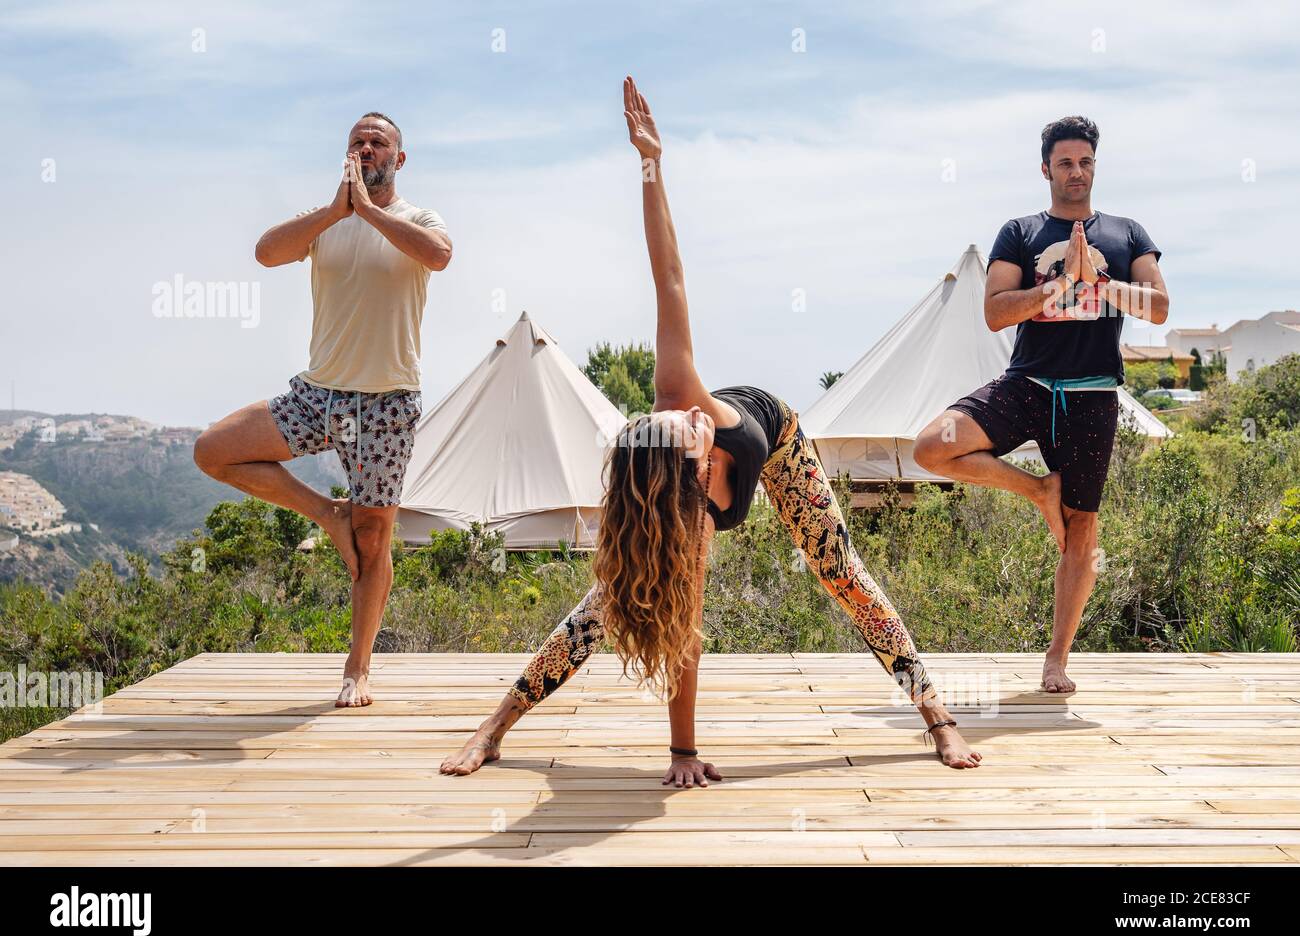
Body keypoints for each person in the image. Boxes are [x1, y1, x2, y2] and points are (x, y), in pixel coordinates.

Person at [440, 77, 981, 786]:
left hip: (779, 441)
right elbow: (682, 633)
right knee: (605, 606)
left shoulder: (680, 394)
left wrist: (650, 165)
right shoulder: (684, 519)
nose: (693, 413)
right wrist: (683, 753)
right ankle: (496, 724)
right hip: (678, 512)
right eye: (687, 430)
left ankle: (938, 714)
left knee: (842, 575)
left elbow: (669, 276)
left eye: (683, 415)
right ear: (683, 478)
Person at [193, 112, 453, 707]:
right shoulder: (326, 220)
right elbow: (265, 253)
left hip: (387, 402)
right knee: (214, 450)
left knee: (374, 536)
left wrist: (370, 212)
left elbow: (438, 256)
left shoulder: (417, 219)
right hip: (319, 393)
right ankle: (325, 515)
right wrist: (338, 211)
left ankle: (357, 669)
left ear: (398, 158)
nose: (366, 147)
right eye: (357, 141)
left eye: (378, 141)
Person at [913, 116, 1169, 694]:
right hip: (1027, 383)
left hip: (1092, 395)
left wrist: (1095, 284)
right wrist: (1056, 285)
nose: (1075, 173)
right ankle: (1037, 489)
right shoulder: (1021, 231)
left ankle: (1057, 660)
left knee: (1083, 530)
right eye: (1064, 163)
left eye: (1084, 162)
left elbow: (1157, 307)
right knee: (932, 446)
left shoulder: (1127, 233)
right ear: (1046, 169)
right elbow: (995, 311)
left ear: (1095, 166)